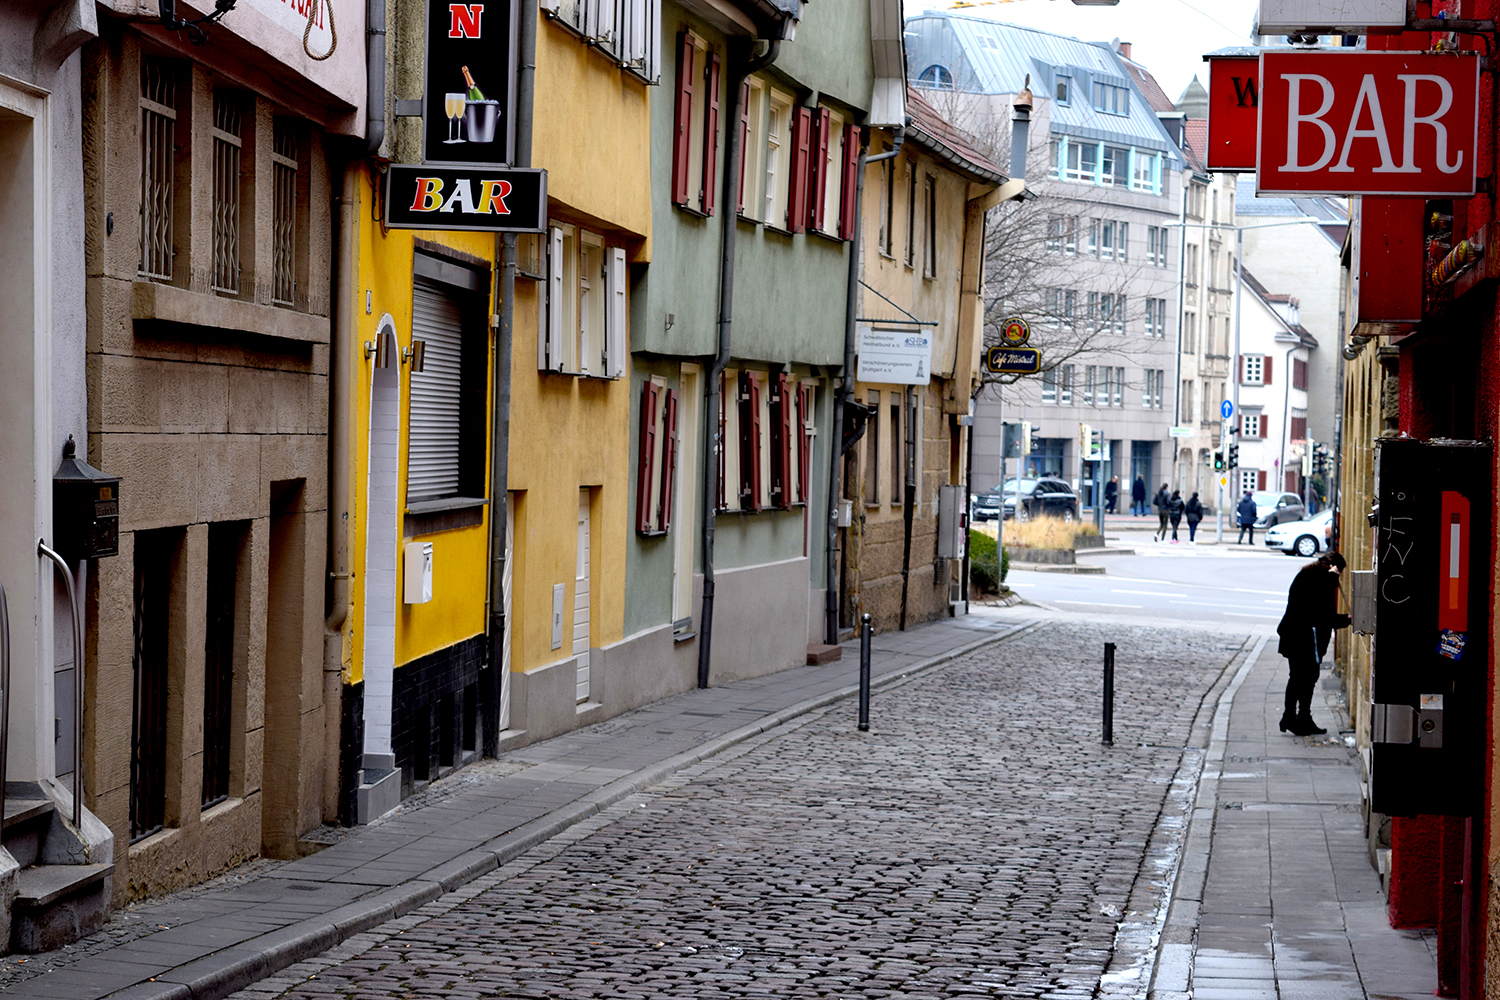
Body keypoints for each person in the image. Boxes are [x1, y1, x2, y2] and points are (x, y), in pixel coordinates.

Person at [1275, 552, 1350, 736]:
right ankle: (1296, 718)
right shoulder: (1320, 580)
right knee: (1304, 679)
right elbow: (1322, 614)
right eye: (1340, 572)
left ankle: (1296, 718)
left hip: (1298, 637)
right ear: (1335, 568)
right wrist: (1346, 619)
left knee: (1300, 678)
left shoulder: (1310, 575)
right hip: (1304, 640)